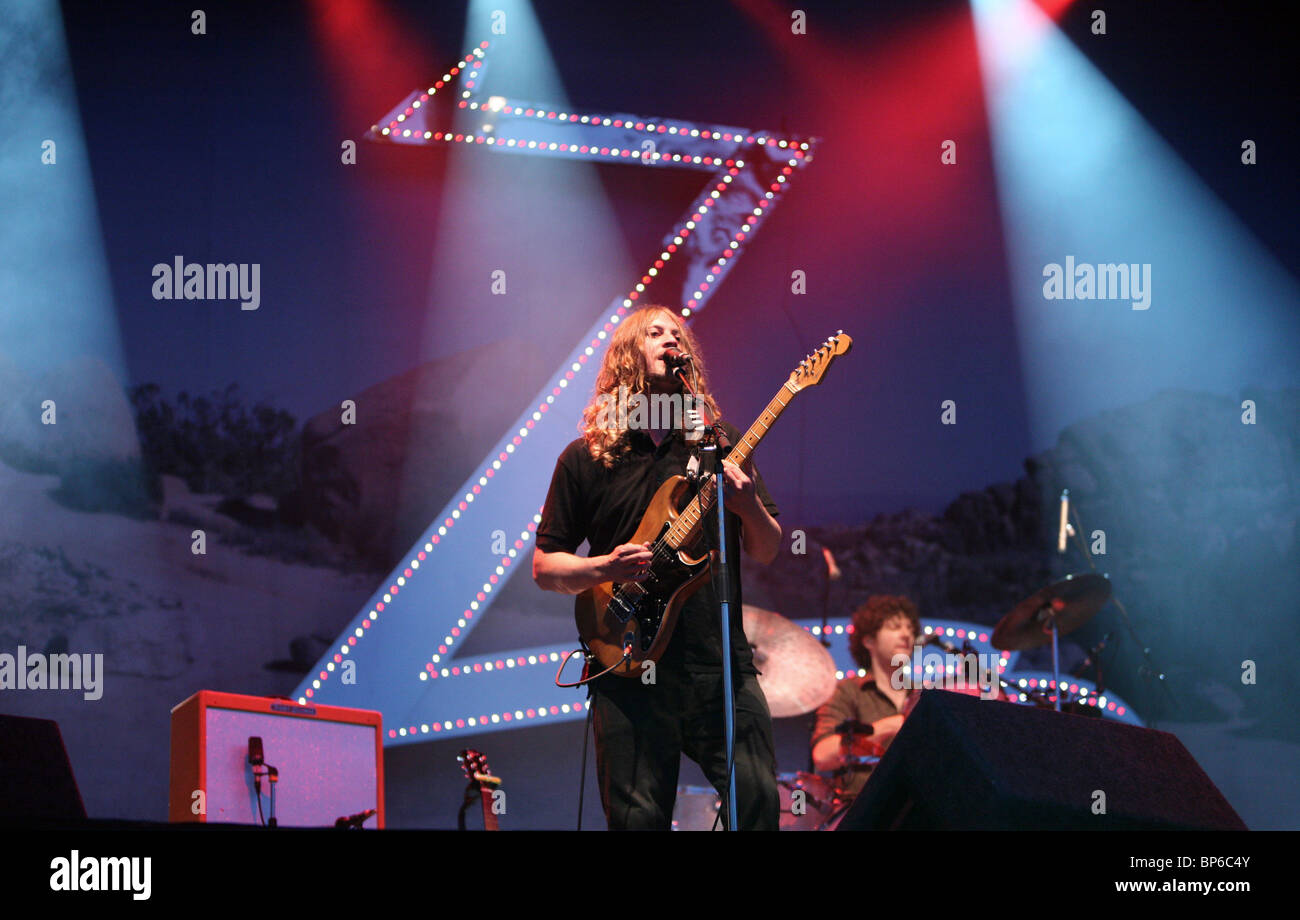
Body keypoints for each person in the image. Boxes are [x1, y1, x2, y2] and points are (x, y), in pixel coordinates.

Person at [533, 305, 782, 830]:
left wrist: (748, 507)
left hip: (719, 666)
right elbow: (545, 567)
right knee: (637, 819)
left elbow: (766, 548)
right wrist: (603, 567)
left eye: (679, 334)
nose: (672, 340)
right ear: (627, 355)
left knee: (757, 805)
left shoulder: (721, 446)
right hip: (628, 666)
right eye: (656, 332)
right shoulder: (586, 459)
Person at [810, 595, 921, 800]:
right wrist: (886, 728)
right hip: (861, 809)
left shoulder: (923, 696)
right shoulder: (847, 691)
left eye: (911, 629)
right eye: (895, 627)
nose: (906, 635)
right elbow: (822, 755)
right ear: (869, 640)